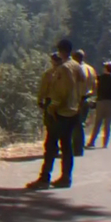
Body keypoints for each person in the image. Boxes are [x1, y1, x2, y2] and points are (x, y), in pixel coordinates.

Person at [27, 39, 82, 190]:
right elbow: (83, 85)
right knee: (66, 146)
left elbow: (61, 92)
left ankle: (44, 178)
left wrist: (52, 108)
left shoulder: (63, 69)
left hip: (61, 112)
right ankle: (66, 177)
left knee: (51, 146)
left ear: (61, 51)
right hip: (73, 111)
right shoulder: (77, 65)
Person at [87, 61, 111, 149]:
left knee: (97, 123)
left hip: (101, 102)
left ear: (105, 69)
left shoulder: (100, 78)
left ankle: (92, 141)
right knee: (108, 124)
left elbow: (94, 86)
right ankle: (105, 143)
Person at [71, 50, 97, 157]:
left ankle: (76, 148)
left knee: (75, 124)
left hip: (77, 99)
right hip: (86, 98)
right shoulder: (90, 69)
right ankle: (78, 147)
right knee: (80, 123)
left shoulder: (75, 69)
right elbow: (95, 86)